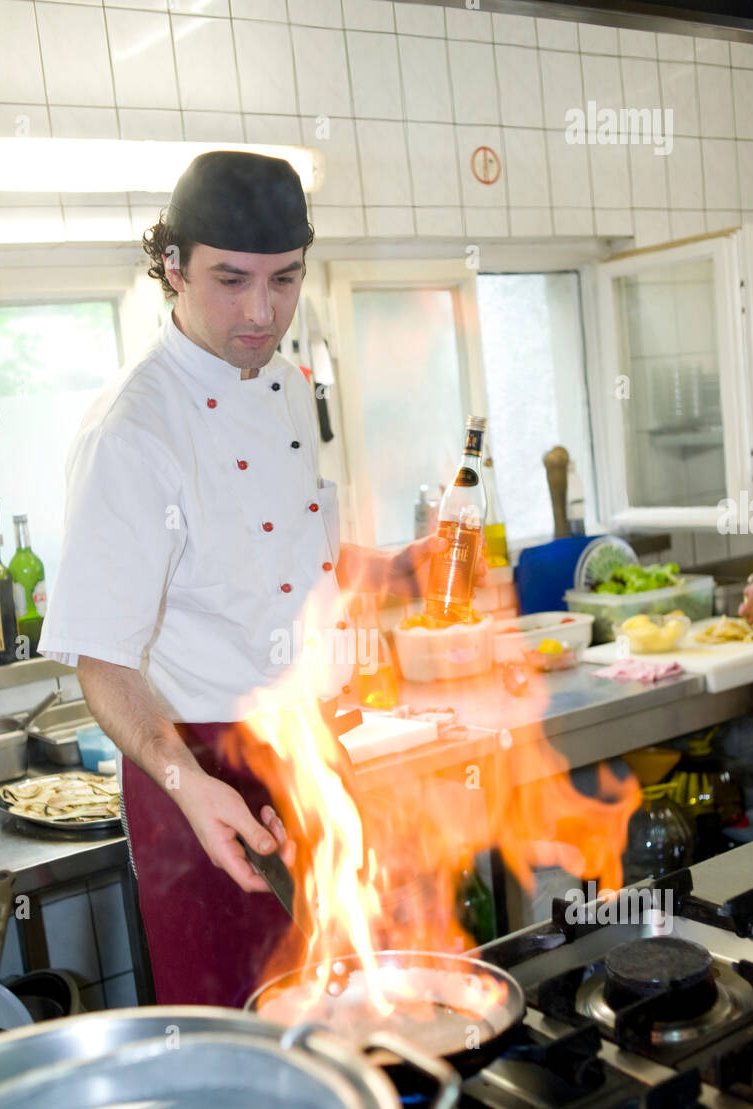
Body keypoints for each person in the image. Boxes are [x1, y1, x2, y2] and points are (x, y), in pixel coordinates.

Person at [39, 150, 457, 1006]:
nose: (262, 313)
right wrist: (188, 782)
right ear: (172, 267)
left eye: (286, 280)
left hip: (309, 751)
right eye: (231, 281)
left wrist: (405, 566)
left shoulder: (286, 384)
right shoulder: (133, 430)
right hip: (198, 769)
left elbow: (279, 566)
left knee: (350, 1012)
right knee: (243, 1026)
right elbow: (102, 662)